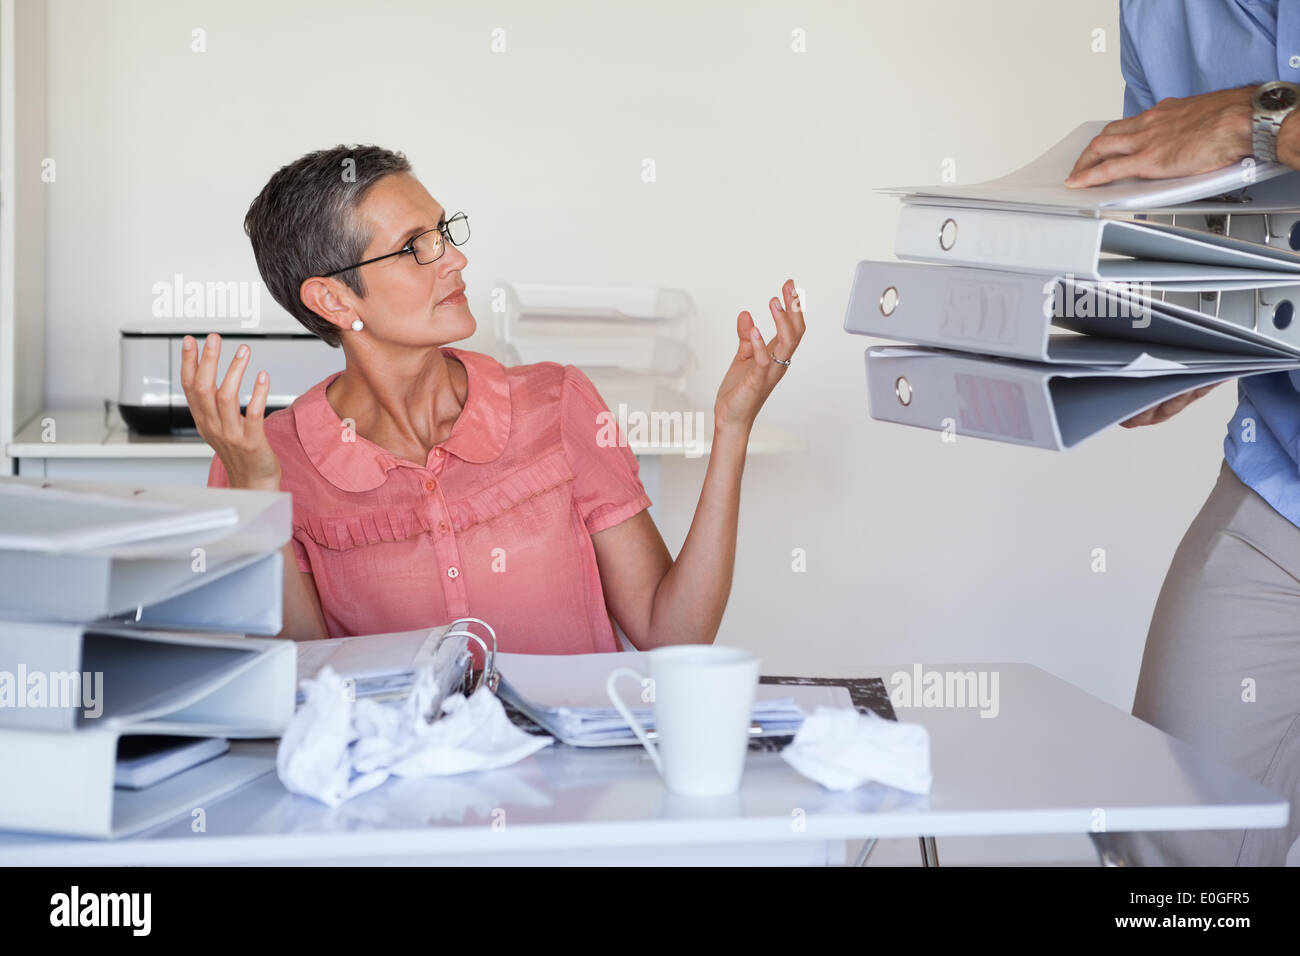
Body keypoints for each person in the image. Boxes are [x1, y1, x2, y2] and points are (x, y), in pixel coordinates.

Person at [183, 145, 803, 651]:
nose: (456, 258)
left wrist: (732, 427)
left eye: (444, 232)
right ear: (335, 301)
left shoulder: (556, 402)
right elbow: (302, 691)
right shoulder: (265, 460)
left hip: (579, 793)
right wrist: (257, 500)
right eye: (416, 246)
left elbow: (675, 636)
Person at [1066, 0, 1300, 865]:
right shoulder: (1154, 13)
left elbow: (1235, 138)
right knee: (1164, 849)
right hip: (1284, 481)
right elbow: (1196, 232)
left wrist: (1257, 120)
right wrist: (1173, 345)